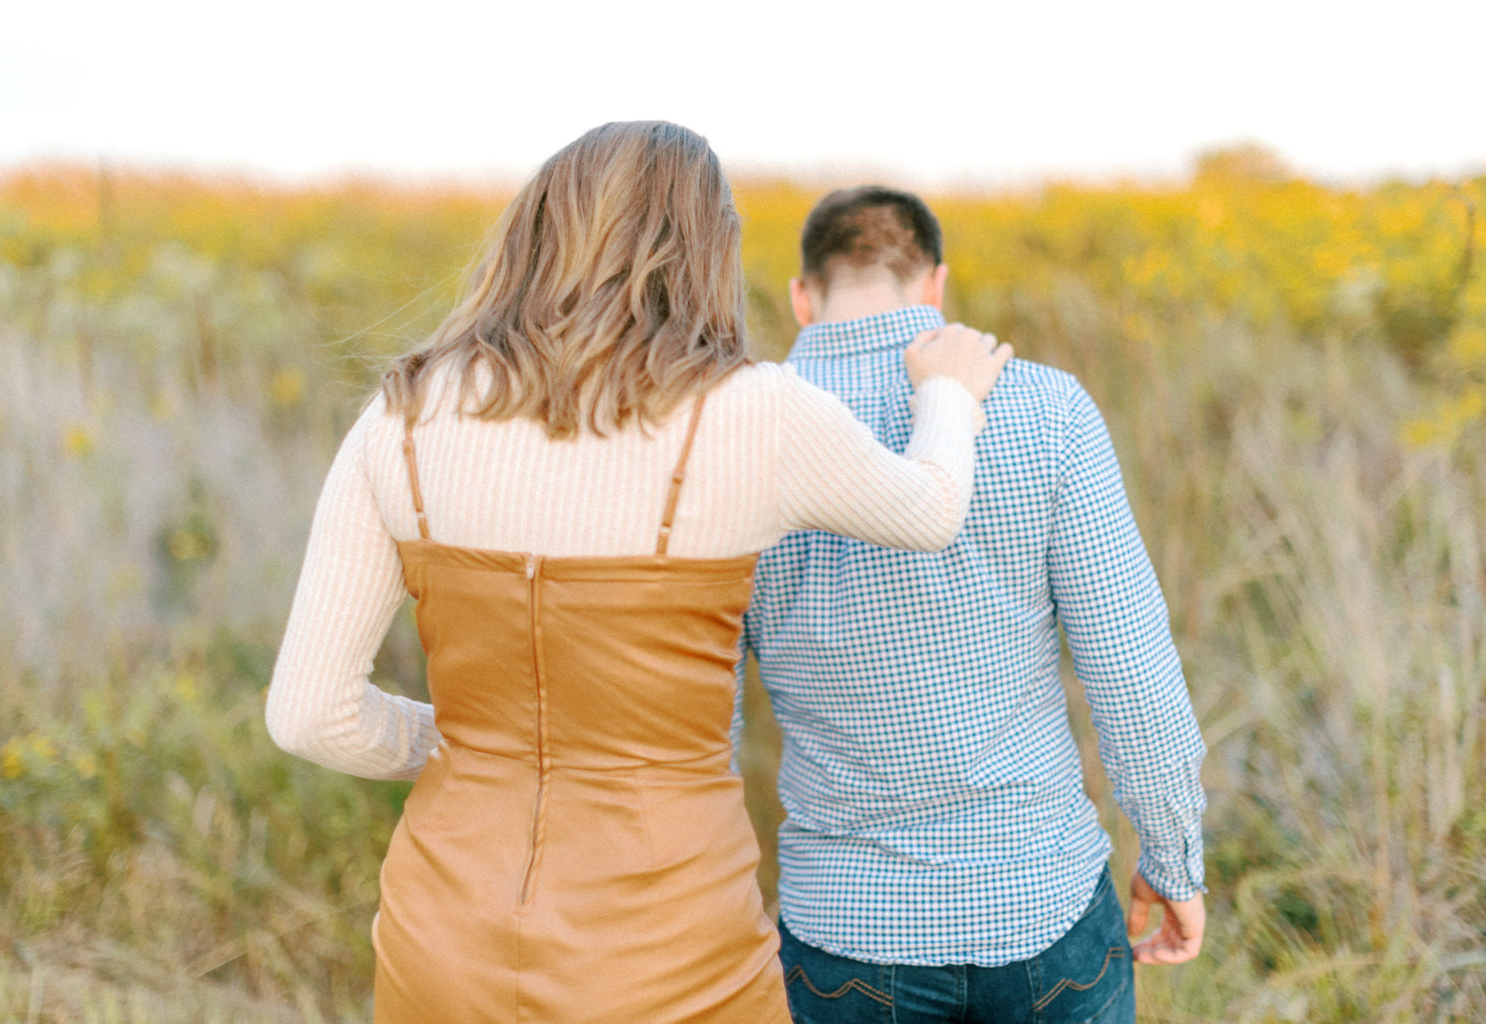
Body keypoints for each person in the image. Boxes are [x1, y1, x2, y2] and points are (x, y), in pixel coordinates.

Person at [265, 125, 1012, 1024]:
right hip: (672, 955)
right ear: (704, 250)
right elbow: (929, 509)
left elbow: (309, 715)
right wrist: (948, 396)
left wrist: (483, 746)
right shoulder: (751, 412)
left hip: (442, 942)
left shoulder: (400, 415)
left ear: (534, 233)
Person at [735, 186, 1208, 1024]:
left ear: (803, 296)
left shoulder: (731, 434)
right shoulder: (1044, 408)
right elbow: (1134, 672)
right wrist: (1173, 863)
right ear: (934, 285)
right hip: (1043, 911)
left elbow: (703, 718)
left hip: (844, 931)